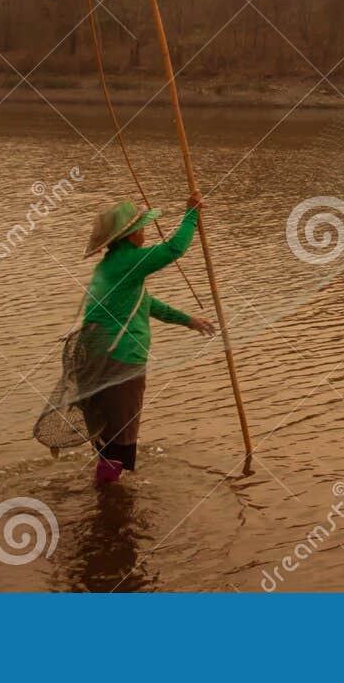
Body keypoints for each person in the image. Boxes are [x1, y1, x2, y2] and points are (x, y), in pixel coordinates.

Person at [76, 192, 215, 484]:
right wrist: (192, 213)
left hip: (94, 358)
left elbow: (145, 304)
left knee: (107, 438)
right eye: (141, 228)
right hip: (121, 360)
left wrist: (188, 320)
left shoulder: (111, 265)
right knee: (120, 441)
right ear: (130, 234)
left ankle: (106, 498)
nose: (144, 232)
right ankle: (111, 505)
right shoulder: (128, 262)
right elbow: (175, 249)